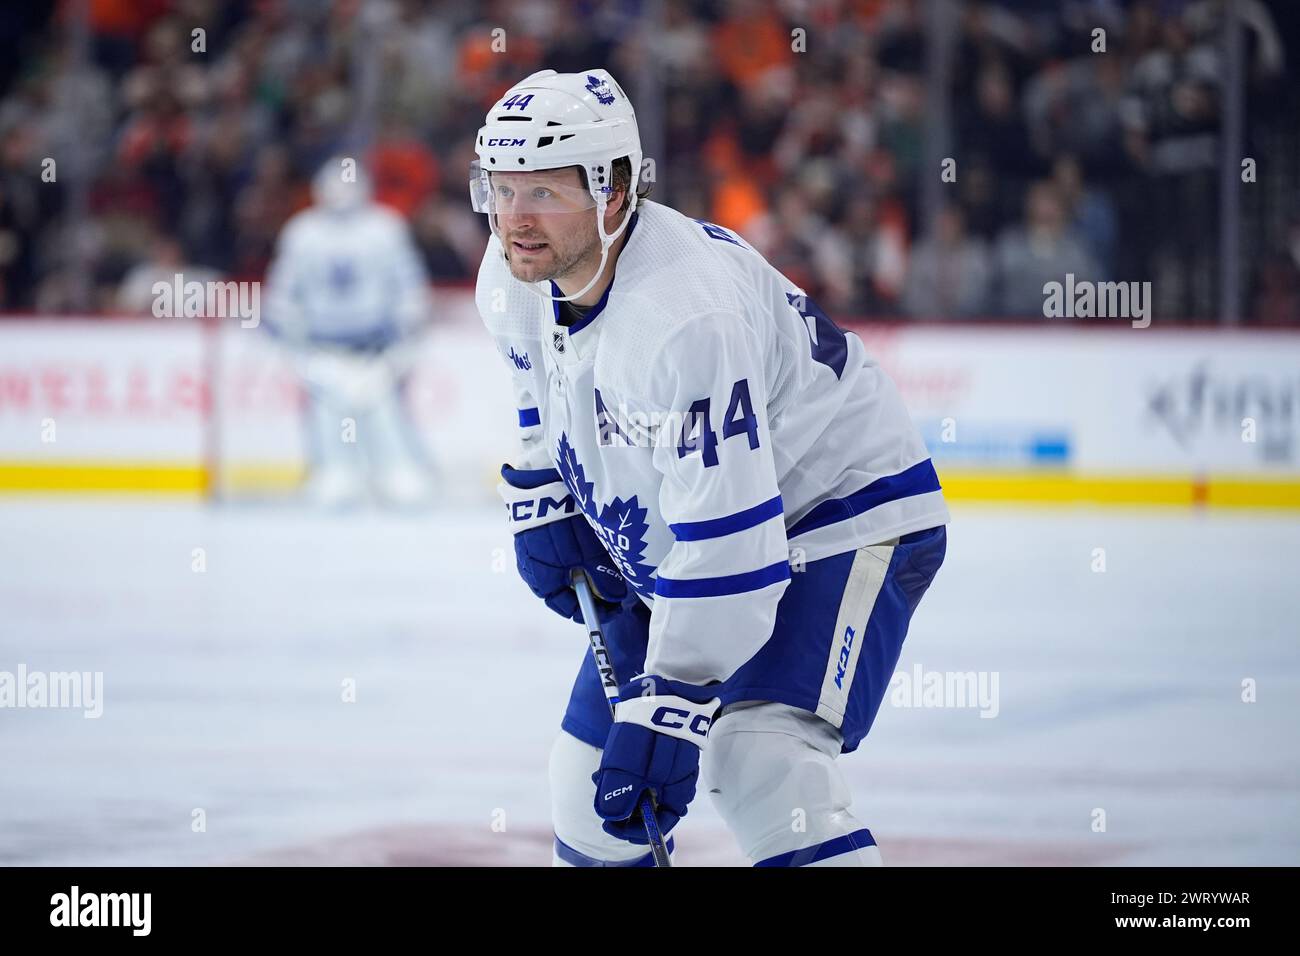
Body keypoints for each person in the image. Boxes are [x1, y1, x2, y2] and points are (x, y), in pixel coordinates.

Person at [473, 69, 949, 867]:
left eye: (545, 194)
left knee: (760, 764)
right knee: (585, 785)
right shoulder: (516, 273)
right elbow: (541, 393)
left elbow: (736, 545)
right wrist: (545, 489)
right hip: (707, 524)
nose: (514, 220)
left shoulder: (680, 319)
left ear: (613, 192)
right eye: (501, 189)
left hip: (840, 514)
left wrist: (676, 695)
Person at [264, 158, 434, 508]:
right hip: (321, 348)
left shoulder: (385, 228)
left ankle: (397, 471)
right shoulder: (302, 232)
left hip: (376, 347)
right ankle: (335, 472)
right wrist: (289, 334)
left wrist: (407, 332)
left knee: (383, 413)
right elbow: (284, 291)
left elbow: (408, 285)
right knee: (328, 417)